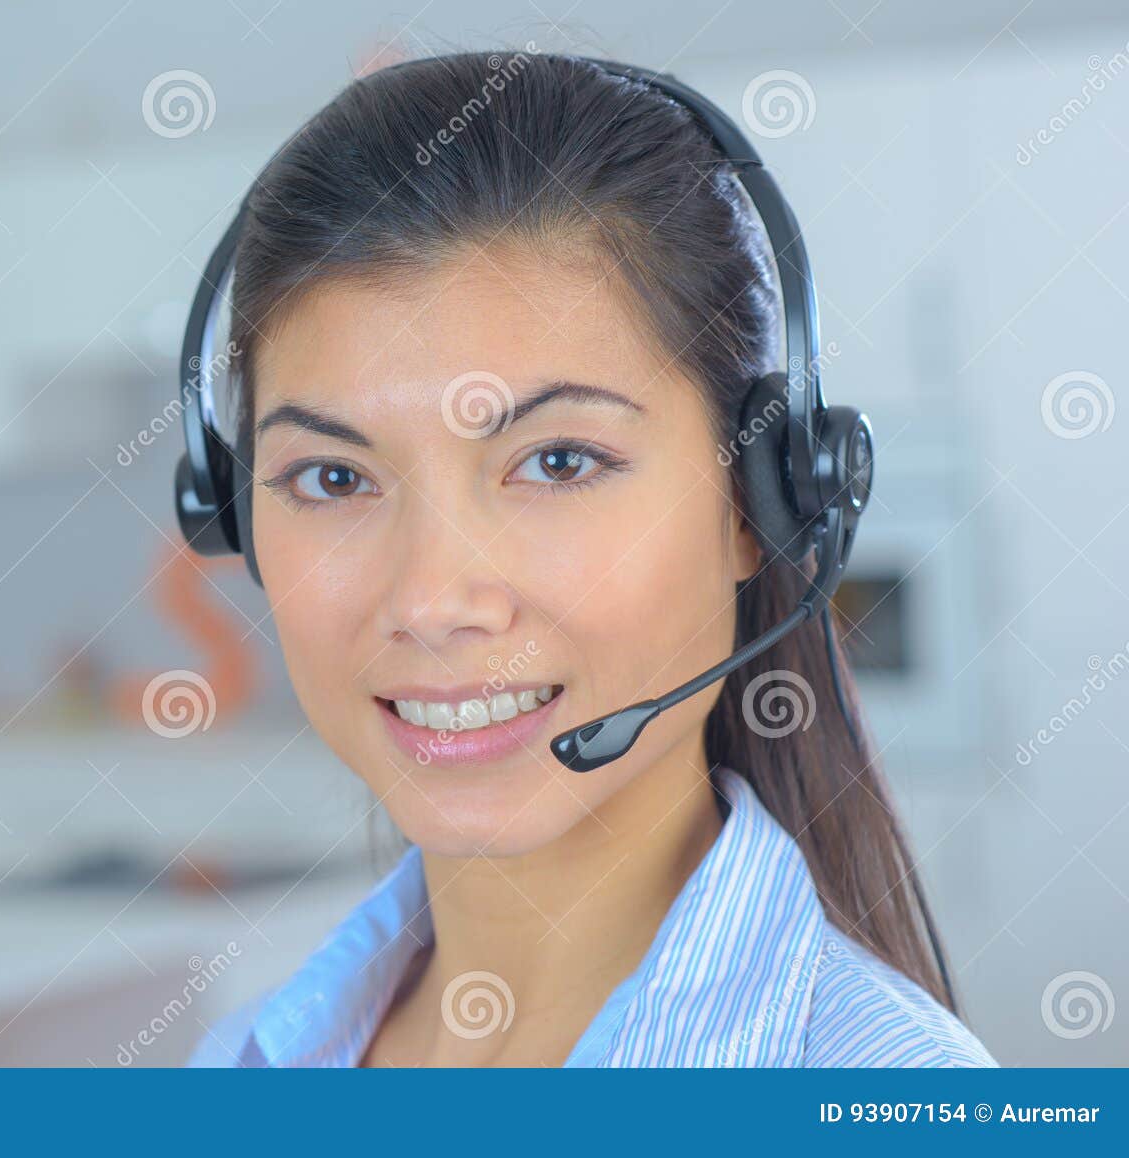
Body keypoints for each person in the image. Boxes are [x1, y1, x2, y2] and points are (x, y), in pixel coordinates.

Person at [184, 51, 996, 1068]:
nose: (433, 601)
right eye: (334, 480)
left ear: (762, 500)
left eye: (557, 462)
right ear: (232, 511)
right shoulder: (239, 1064)